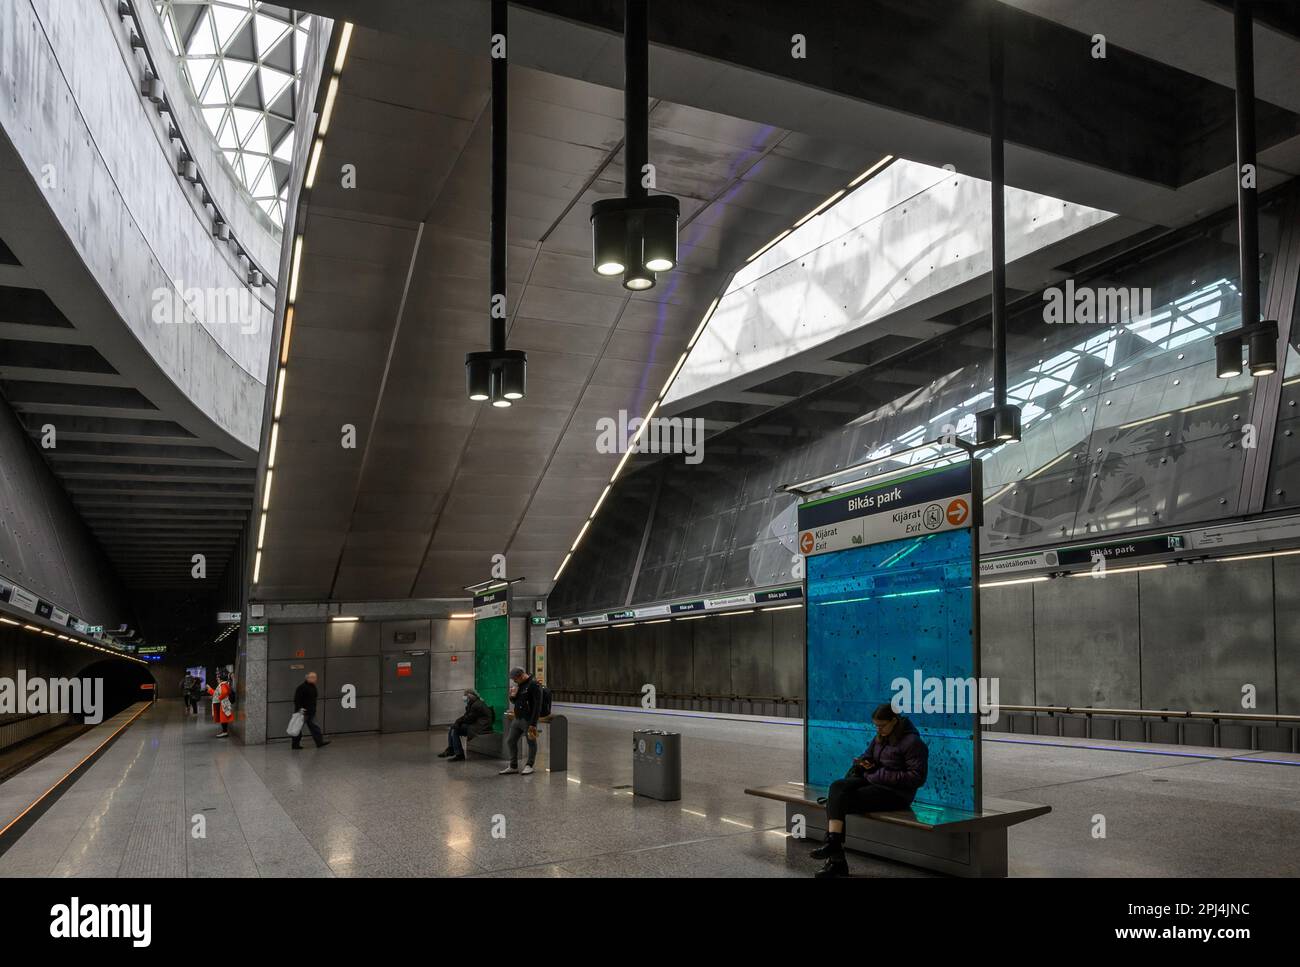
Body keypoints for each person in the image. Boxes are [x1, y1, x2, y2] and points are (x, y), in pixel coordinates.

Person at [811, 703, 928, 878]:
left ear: (894, 721)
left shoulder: (913, 743)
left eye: (881, 725)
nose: (878, 730)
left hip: (895, 794)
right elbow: (869, 754)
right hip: (872, 781)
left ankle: (836, 860)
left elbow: (916, 778)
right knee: (836, 787)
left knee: (838, 801)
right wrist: (864, 762)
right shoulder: (881, 737)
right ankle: (834, 843)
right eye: (876, 726)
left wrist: (877, 773)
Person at [499, 667, 541, 776]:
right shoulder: (520, 685)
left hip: (528, 720)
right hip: (517, 719)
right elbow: (516, 701)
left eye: (515, 679)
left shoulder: (534, 684)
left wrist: (533, 723)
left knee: (531, 742)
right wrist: (512, 696)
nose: (514, 681)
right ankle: (513, 766)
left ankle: (529, 765)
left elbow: (537, 705)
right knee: (510, 741)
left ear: (521, 675)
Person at [438, 689, 492, 761]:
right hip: (478, 724)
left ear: (469, 696)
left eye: (465, 695)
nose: (464, 697)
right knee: (453, 727)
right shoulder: (474, 703)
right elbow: (467, 716)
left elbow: (469, 719)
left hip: (481, 727)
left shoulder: (476, 705)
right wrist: (458, 721)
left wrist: (459, 722)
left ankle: (459, 754)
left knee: (455, 729)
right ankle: (451, 749)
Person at [291, 671, 330, 750]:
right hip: (303, 712)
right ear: (307, 678)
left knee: (315, 727)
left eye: (315, 677)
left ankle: (319, 742)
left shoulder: (313, 686)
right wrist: (300, 709)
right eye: (312, 677)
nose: (315, 679)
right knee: (297, 728)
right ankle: (295, 745)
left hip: (311, 712)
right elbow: (296, 699)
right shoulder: (302, 687)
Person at [207, 671, 235, 738]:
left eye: (218, 678)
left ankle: (224, 732)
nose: (217, 679)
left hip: (223, 704)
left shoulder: (222, 685)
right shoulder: (224, 684)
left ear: (221, 679)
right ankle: (224, 731)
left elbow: (223, 693)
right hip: (224, 703)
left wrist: (219, 698)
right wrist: (210, 689)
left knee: (224, 718)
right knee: (224, 718)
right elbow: (217, 694)